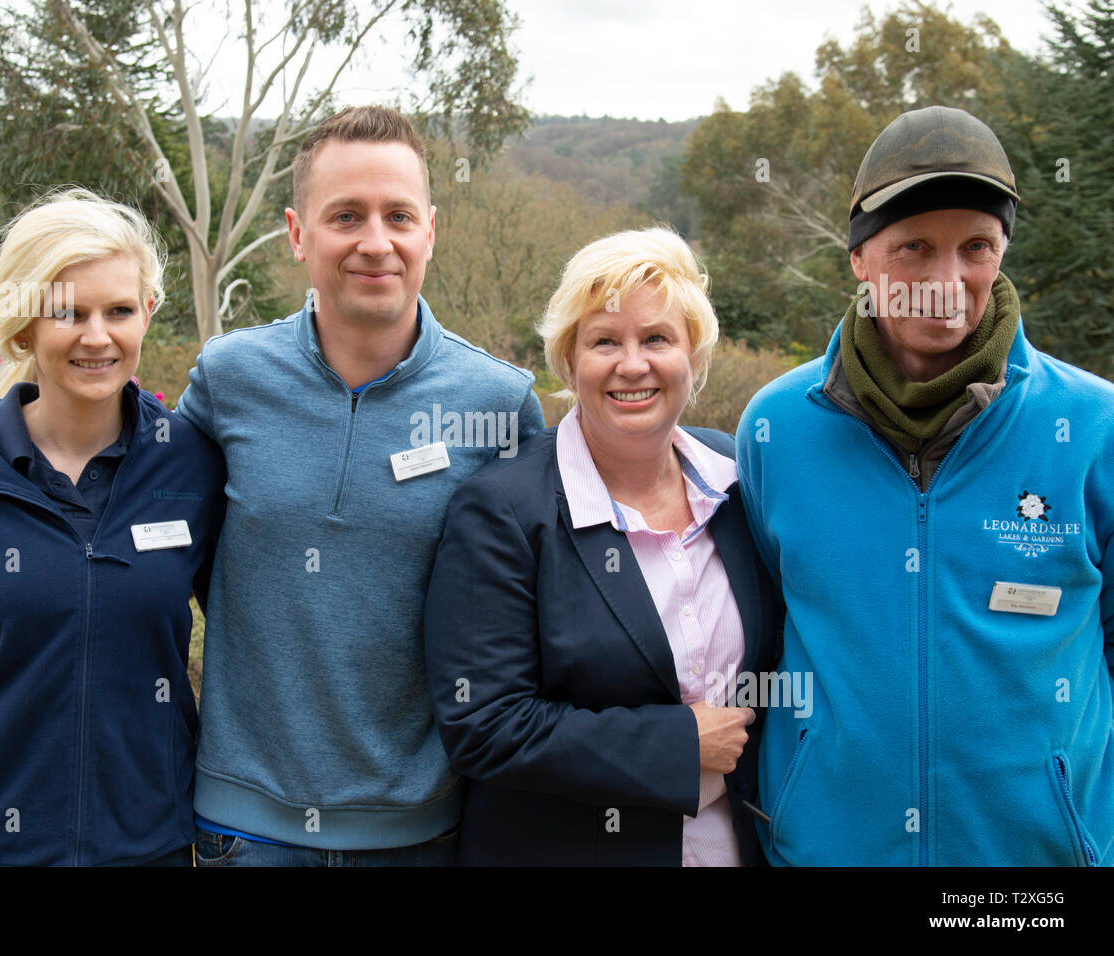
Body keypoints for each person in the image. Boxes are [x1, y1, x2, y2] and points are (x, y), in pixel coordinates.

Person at [737, 105, 1114, 866]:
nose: (946, 281)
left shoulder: (1093, 426)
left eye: (976, 246)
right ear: (859, 259)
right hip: (830, 850)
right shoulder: (777, 428)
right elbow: (762, 635)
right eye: (915, 247)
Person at [177, 105, 544, 866]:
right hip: (247, 831)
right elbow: (161, 546)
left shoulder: (498, 403)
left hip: (420, 833)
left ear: (431, 232)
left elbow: (536, 614)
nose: (375, 242)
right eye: (346, 215)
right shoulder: (228, 380)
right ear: (297, 232)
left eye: (398, 216)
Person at [0, 188, 226, 866]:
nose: (98, 336)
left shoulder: (192, 465)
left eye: (119, 310)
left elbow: (246, 652)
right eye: (69, 313)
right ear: (24, 325)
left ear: (146, 314)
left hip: (148, 852)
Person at [423, 227, 781, 866]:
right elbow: (483, 726)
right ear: (569, 361)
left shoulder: (736, 479)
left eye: (658, 339)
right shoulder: (504, 510)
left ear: (692, 356)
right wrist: (675, 745)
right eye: (605, 341)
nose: (633, 364)